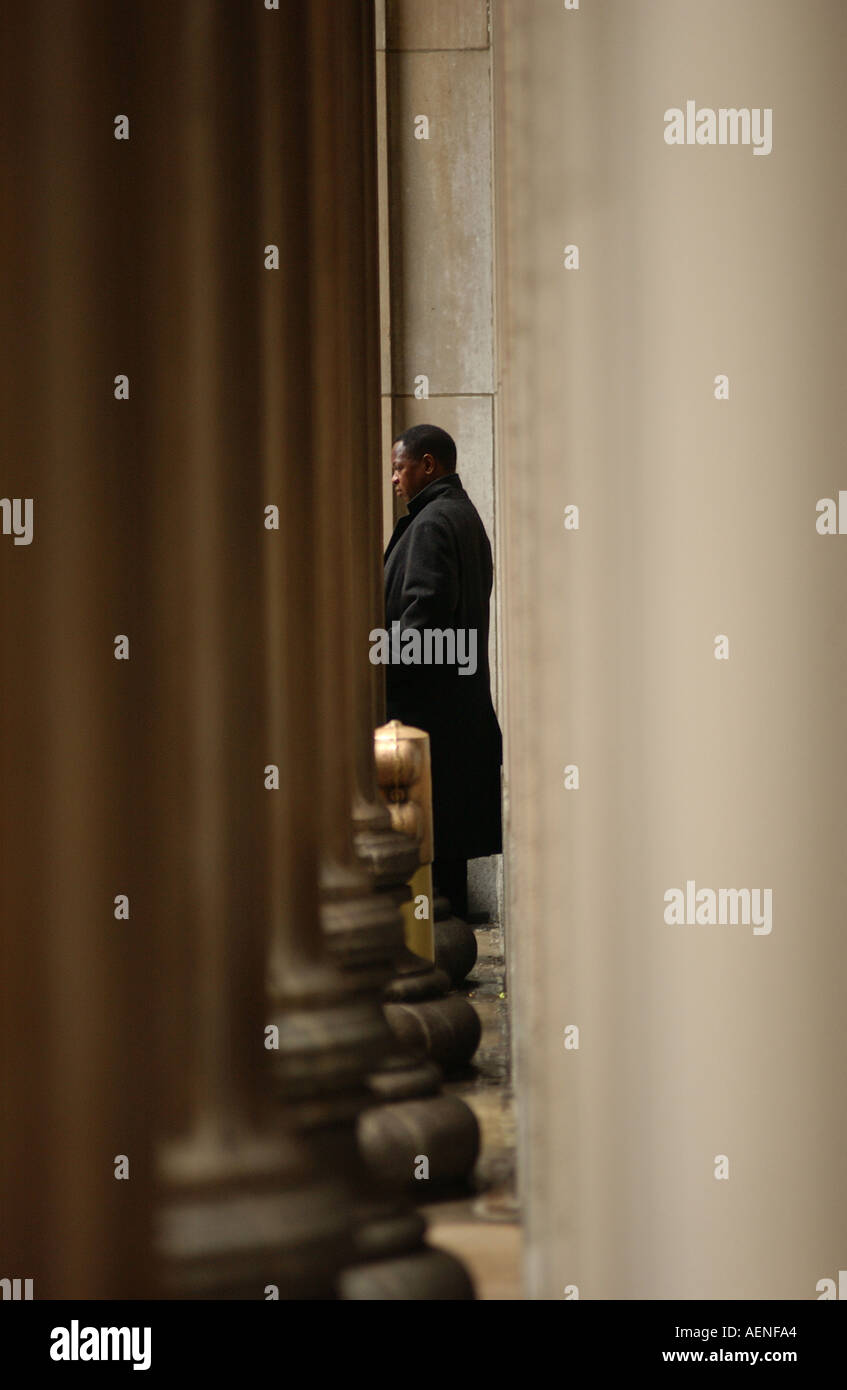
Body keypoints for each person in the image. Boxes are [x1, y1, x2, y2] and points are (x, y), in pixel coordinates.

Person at [384, 423, 502, 921]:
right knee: (444, 865)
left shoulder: (433, 524)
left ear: (427, 465)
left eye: (399, 466)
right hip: (457, 722)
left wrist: (377, 663)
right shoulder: (462, 516)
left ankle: (438, 969)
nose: (394, 478)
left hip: (432, 724)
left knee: (434, 869)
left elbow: (424, 620)